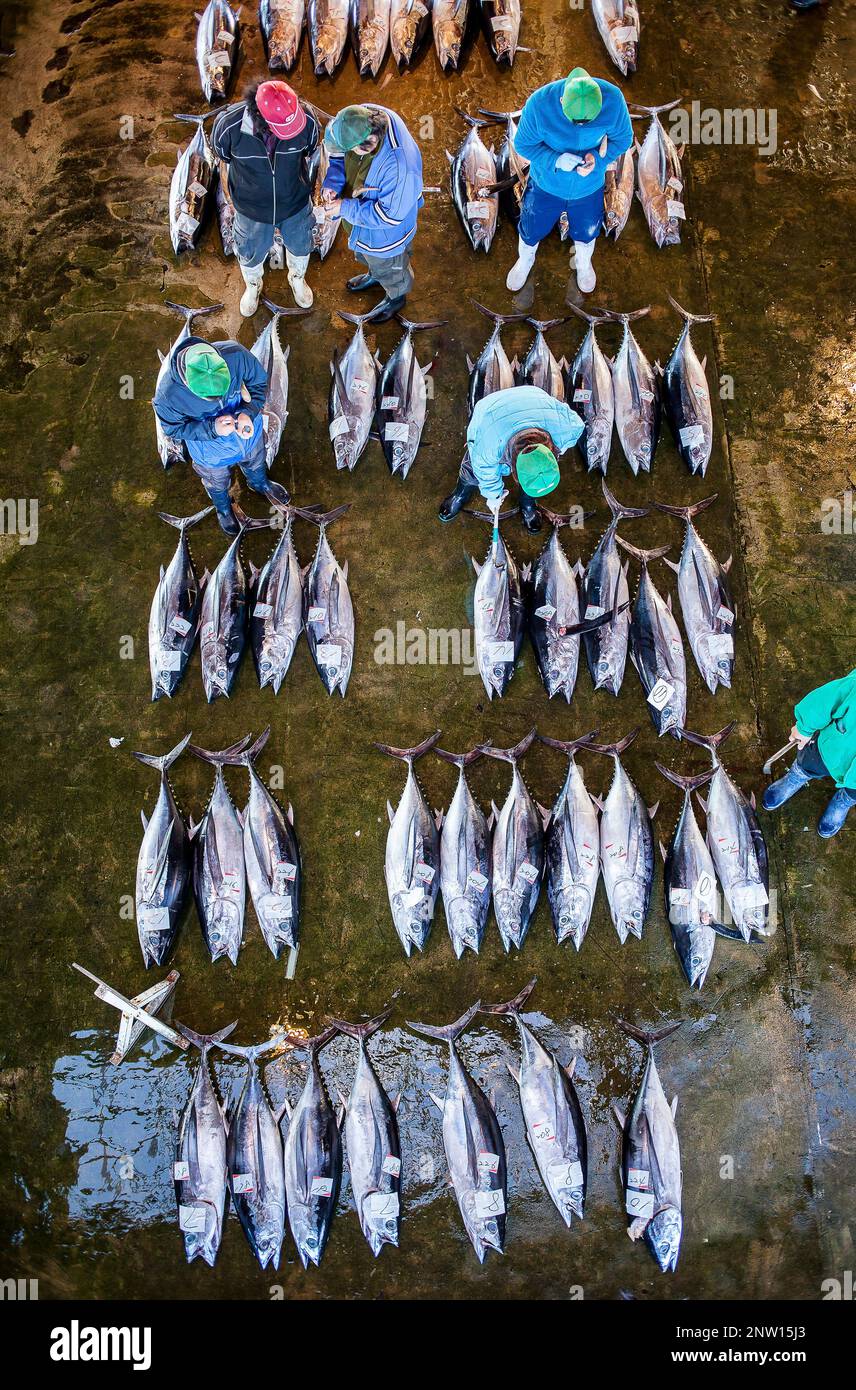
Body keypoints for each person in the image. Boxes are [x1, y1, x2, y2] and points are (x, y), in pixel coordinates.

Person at [507, 67, 633, 295]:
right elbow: (523, 145)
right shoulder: (539, 104)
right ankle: (525, 260)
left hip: (589, 187)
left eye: (588, 121)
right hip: (546, 185)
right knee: (531, 227)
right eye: (574, 120)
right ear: (562, 99)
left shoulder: (613, 99)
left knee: (587, 231)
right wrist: (555, 159)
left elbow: (623, 139)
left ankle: (584, 265)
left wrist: (598, 159)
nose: (581, 126)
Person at [153, 338, 288, 535]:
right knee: (216, 482)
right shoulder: (167, 396)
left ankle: (259, 483)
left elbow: (259, 384)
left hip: (249, 435)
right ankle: (223, 507)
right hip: (210, 454)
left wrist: (247, 412)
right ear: (186, 383)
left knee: (256, 460)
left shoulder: (236, 354)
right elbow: (173, 429)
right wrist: (212, 428)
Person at [212, 80, 318, 316]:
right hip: (251, 210)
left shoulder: (307, 121)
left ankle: (297, 278)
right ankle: (253, 285)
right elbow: (223, 161)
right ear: (259, 117)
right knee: (249, 252)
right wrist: (231, 198)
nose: (293, 132)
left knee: (302, 245)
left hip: (295, 203)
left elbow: (311, 153)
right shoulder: (228, 127)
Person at [320, 104, 423, 323]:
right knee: (371, 260)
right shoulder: (361, 115)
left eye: (348, 149)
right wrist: (332, 183)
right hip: (361, 226)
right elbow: (338, 155)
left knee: (392, 269)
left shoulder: (400, 169)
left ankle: (396, 298)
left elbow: (389, 217)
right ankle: (375, 275)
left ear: (367, 146)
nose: (341, 151)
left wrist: (344, 208)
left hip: (386, 236)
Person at [438, 384, 584, 533]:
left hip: (532, 397)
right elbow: (484, 471)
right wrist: (493, 495)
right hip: (490, 410)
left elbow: (577, 423)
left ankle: (527, 505)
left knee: (531, 479)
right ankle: (460, 494)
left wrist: (561, 446)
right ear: (514, 467)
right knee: (472, 469)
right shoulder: (487, 448)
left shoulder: (569, 429)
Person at [762, 667, 856, 837]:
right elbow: (827, 699)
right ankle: (795, 778)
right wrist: (804, 728)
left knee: (853, 792)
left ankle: (843, 802)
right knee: (808, 763)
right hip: (829, 749)